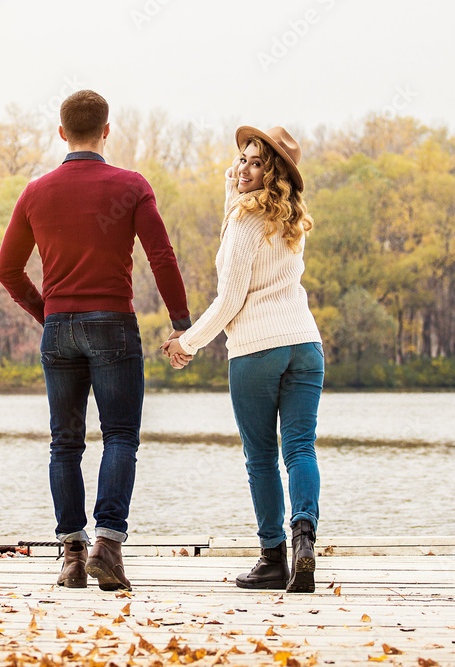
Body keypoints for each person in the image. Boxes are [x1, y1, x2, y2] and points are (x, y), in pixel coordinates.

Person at [0, 90, 191, 591]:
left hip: (60, 328)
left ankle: (71, 555)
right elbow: (162, 257)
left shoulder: (35, 192)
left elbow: (7, 270)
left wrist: (48, 314)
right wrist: (181, 322)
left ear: (62, 133)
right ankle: (108, 545)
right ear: (107, 130)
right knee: (120, 436)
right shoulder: (130, 186)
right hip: (113, 325)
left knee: (65, 443)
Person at [162, 125, 324, 593]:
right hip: (305, 346)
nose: (244, 168)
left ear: (271, 174)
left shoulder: (244, 222)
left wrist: (187, 343)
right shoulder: (292, 220)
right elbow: (236, 221)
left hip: (258, 349)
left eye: (257, 163)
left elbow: (230, 298)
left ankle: (273, 558)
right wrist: (233, 184)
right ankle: (305, 540)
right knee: (300, 450)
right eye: (243, 159)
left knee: (261, 458)